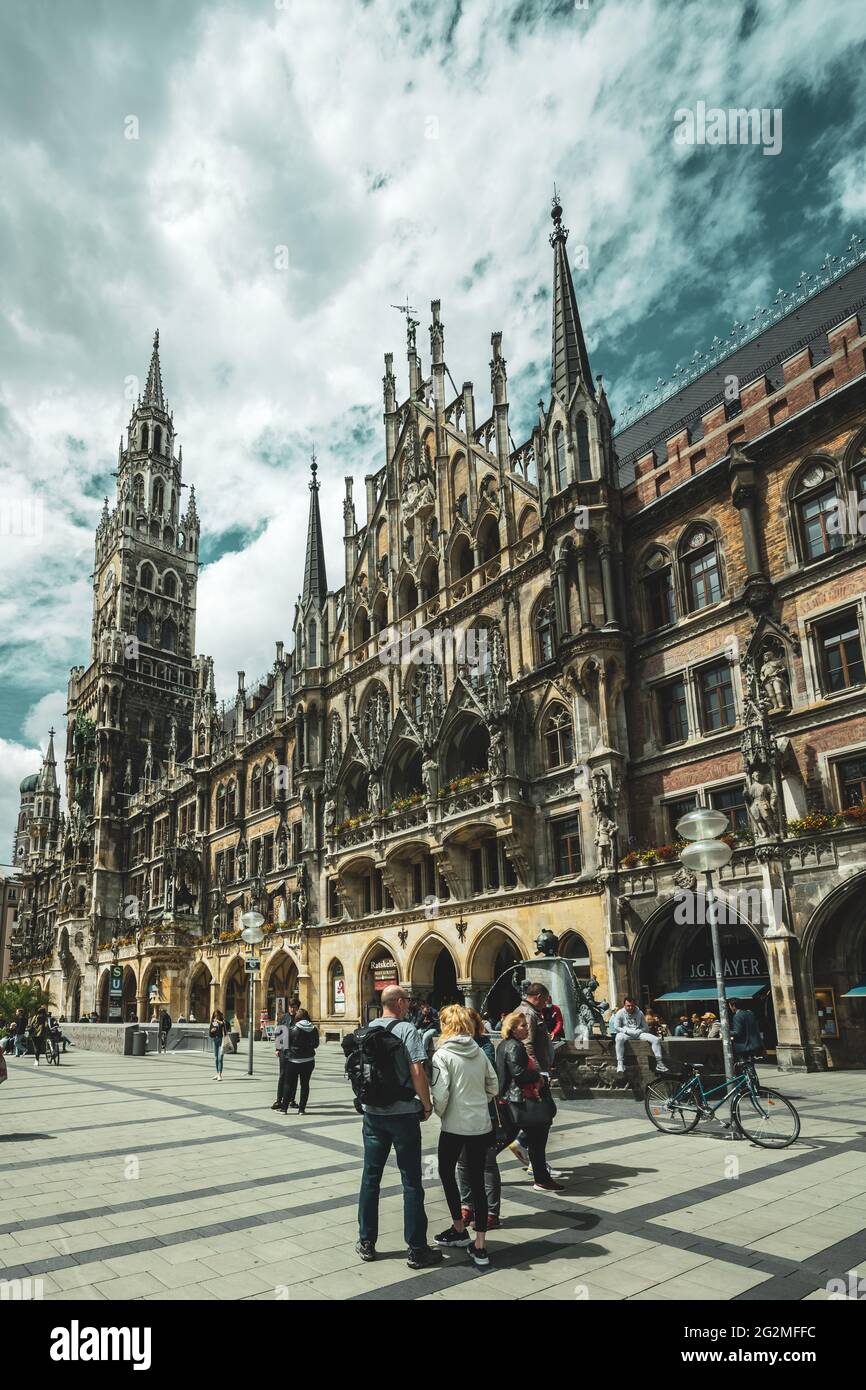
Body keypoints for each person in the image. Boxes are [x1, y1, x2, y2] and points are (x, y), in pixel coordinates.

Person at [355, 984, 443, 1270]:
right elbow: (418, 1070)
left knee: (371, 1179)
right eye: (408, 1001)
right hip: (403, 1114)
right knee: (411, 1182)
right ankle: (417, 1249)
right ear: (402, 1003)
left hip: (372, 1114)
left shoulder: (367, 1029)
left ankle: (367, 1242)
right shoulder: (407, 1030)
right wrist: (427, 1104)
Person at [430, 1004, 499, 1269]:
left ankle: (459, 1229)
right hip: (481, 1126)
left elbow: (441, 1095)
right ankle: (480, 1245)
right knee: (478, 1182)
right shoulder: (479, 1052)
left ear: (446, 1026)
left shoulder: (442, 1055)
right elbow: (493, 1085)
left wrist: (442, 1112)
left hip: (454, 1128)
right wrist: (477, 1103)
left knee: (447, 1174)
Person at [496, 1010, 562, 1193]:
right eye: (522, 1025)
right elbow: (518, 1073)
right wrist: (539, 1076)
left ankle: (541, 1178)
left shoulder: (506, 1045)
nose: (526, 1028)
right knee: (537, 1142)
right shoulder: (514, 1046)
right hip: (522, 1102)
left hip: (511, 1100)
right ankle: (542, 1180)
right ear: (513, 1029)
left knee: (508, 1138)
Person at [457, 1009, 503, 1233]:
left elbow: (490, 1077)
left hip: (485, 1114)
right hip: (461, 1115)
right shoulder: (453, 1045)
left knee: (487, 1164)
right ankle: (467, 1206)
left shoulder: (484, 1045)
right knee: (463, 1163)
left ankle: (492, 1212)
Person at [611, 997, 669, 1073]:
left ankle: (659, 1063)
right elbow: (616, 1027)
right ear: (624, 1005)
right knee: (618, 1038)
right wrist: (625, 1031)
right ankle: (620, 1063)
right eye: (628, 1006)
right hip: (626, 1033)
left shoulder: (639, 1013)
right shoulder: (620, 1013)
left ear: (634, 1005)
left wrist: (639, 1031)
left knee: (656, 1039)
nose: (630, 1007)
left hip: (638, 1033)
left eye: (632, 1005)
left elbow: (646, 1027)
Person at [283, 1008, 319, 1113]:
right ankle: (302, 1109)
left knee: (288, 1083)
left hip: (294, 1061)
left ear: (297, 1017)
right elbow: (316, 1044)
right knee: (305, 1084)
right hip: (309, 1060)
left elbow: (286, 1044)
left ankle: (284, 1108)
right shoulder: (313, 1028)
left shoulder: (293, 1028)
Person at [272, 998, 299, 1112]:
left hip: (295, 1052)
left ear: (298, 1007)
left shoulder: (300, 1018)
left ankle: (291, 1099)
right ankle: (279, 1099)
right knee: (282, 1074)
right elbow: (278, 1032)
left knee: (294, 1076)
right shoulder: (284, 1018)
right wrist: (277, 1048)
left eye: (294, 1007)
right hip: (284, 1050)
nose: (292, 1009)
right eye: (290, 1007)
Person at [209, 1009, 229, 1079]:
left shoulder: (222, 1022)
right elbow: (210, 1034)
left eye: (217, 1015)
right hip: (215, 1040)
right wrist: (212, 1031)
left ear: (219, 1015)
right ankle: (217, 1073)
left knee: (220, 1058)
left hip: (222, 1040)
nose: (216, 1017)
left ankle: (220, 1074)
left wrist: (219, 1021)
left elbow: (226, 1025)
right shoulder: (213, 1022)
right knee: (216, 1059)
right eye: (215, 1016)